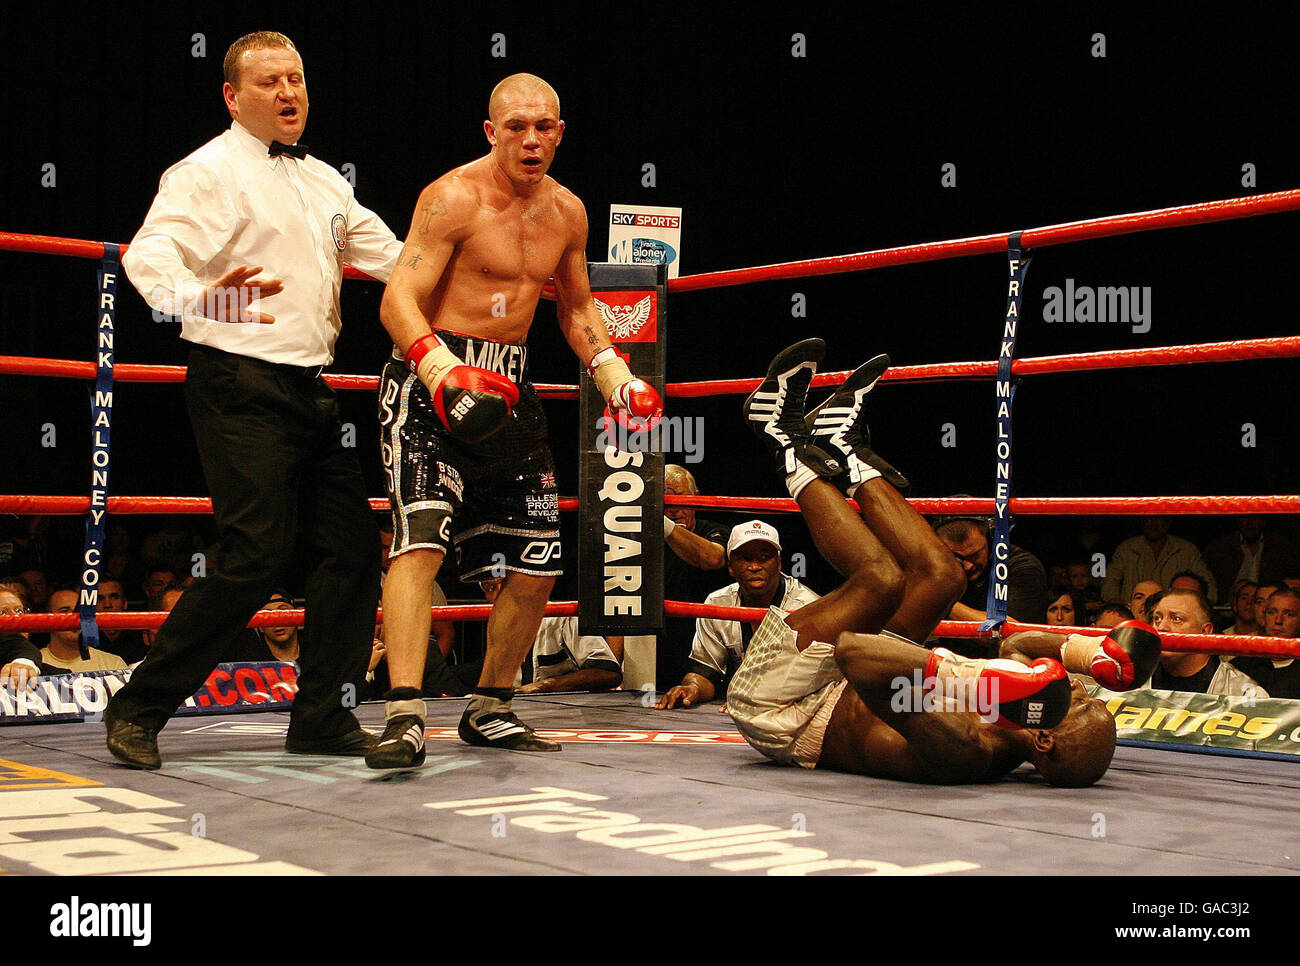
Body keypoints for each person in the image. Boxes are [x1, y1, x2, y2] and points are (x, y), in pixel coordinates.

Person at [106, 31, 402, 770]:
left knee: (352, 551)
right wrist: (202, 298)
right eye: (269, 81)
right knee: (255, 554)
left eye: (296, 78)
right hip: (236, 382)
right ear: (234, 97)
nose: (288, 92)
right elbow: (149, 255)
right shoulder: (207, 171)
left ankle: (324, 718)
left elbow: (400, 259)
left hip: (310, 388)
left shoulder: (328, 182)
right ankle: (138, 707)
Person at [366, 73, 662, 769]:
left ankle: (491, 705)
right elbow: (397, 299)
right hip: (430, 382)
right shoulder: (450, 198)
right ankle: (404, 712)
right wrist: (440, 370)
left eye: (546, 127)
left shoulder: (567, 212)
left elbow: (577, 307)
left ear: (560, 132)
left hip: (511, 387)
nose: (533, 140)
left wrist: (616, 376)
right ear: (491, 131)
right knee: (421, 538)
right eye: (518, 126)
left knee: (538, 559)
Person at [722, 340, 1146, 786]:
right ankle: (843, 449)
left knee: (881, 581)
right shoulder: (1013, 712)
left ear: (1043, 739)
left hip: (782, 705)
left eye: (1079, 704)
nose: (1079, 690)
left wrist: (976, 678)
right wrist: (1087, 653)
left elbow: (855, 652)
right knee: (945, 579)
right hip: (840, 684)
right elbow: (1017, 650)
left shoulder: (963, 748)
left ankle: (779, 436)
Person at [655, 520, 820, 709]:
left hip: (792, 706)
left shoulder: (806, 606)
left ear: (779, 563)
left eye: (764, 557)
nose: (755, 566)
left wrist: (754, 697)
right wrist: (692, 688)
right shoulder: (718, 604)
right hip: (733, 709)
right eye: (745, 558)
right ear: (731, 567)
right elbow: (706, 670)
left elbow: (814, 679)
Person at [475, 578, 624, 693]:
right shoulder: (497, 632)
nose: (501, 594)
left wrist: (546, 685)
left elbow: (609, 673)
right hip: (520, 711)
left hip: (571, 713)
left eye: (506, 584)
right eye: (491, 588)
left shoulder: (561, 618)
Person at [659, 464, 730, 687]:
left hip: (708, 652)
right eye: (666, 502)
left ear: (697, 498)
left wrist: (659, 521)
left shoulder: (715, 531)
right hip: (657, 652)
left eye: (681, 499)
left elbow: (712, 558)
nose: (674, 509)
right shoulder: (641, 540)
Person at [1101, 516, 1217, 604]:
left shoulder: (1187, 550)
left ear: (1168, 522)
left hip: (1174, 616)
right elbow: (1110, 584)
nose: (1153, 524)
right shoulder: (1127, 548)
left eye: (1158, 519)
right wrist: (1120, 607)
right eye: (1149, 519)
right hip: (1133, 619)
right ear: (1142, 522)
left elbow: (1209, 589)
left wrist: (1197, 608)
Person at [39, 590, 129, 674]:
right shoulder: (33, 663)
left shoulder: (112, 664)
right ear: (47, 618)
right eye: (65, 611)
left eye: (79, 611)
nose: (75, 618)